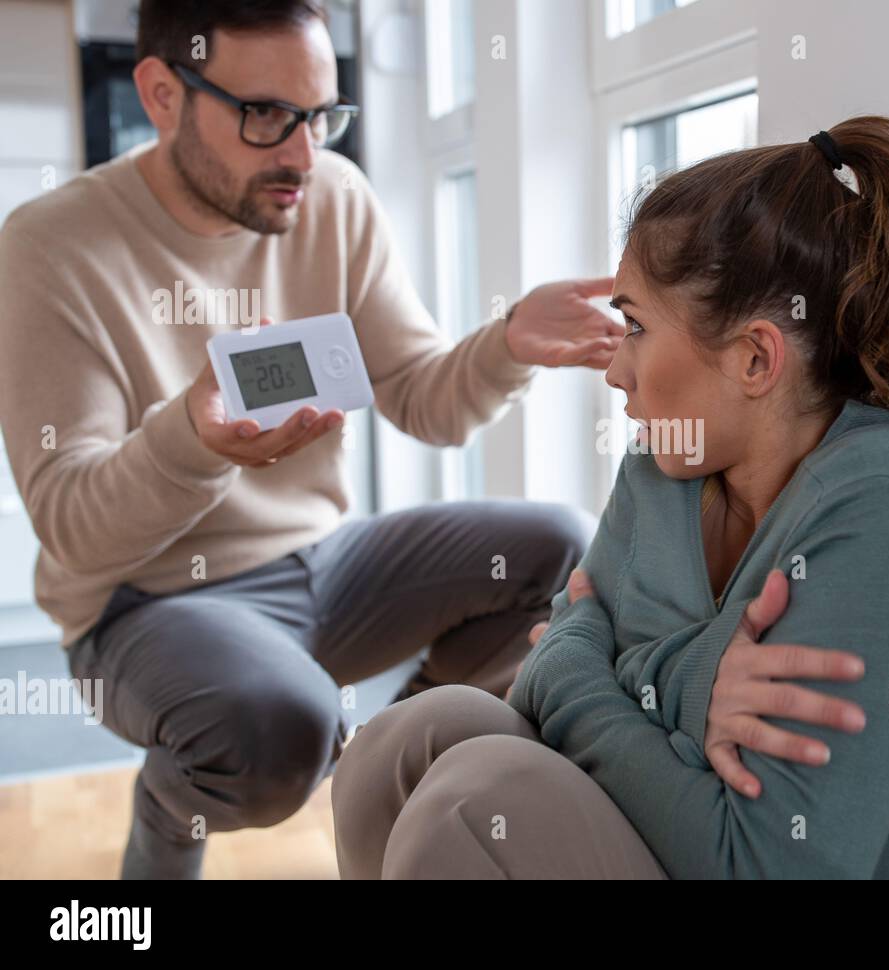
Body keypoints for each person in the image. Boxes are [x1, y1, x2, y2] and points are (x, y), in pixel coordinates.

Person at [0, 0, 619, 880]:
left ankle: (386, 755)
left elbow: (421, 399)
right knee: (276, 728)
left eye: (321, 116)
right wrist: (193, 441)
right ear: (161, 93)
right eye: (265, 117)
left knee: (564, 547)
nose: (301, 154)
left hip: (325, 564)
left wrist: (507, 341)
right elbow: (71, 523)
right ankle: (170, 815)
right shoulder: (51, 247)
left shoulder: (332, 195)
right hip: (145, 602)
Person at [331, 116, 889, 879]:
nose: (615, 370)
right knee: (405, 741)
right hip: (663, 825)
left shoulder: (888, 507)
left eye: (635, 327)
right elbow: (546, 657)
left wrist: (590, 666)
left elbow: (763, 860)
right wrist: (693, 679)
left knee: (478, 799)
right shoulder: (665, 464)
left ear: (755, 358)